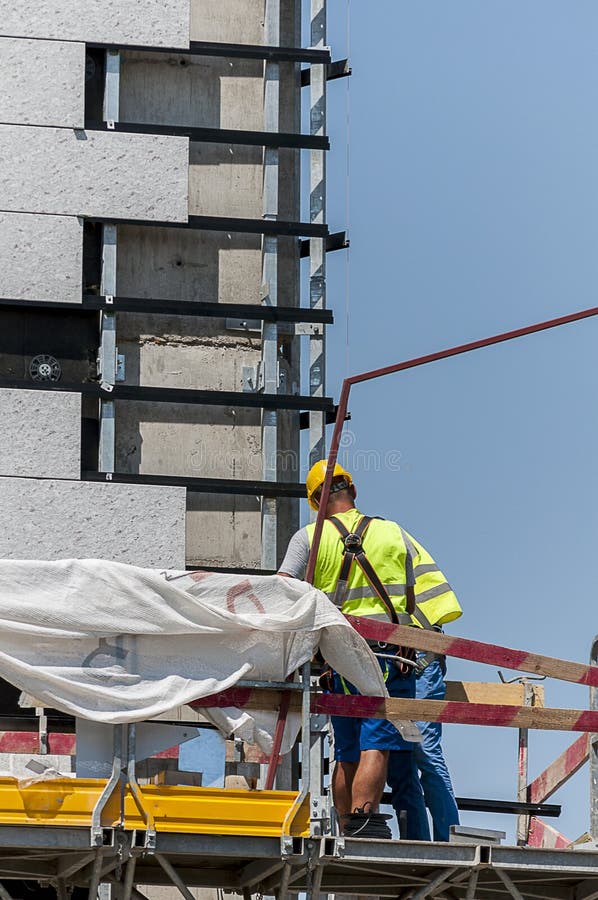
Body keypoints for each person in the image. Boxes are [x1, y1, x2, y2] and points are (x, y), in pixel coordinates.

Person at [279, 459, 433, 839]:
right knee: (376, 744)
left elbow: (282, 589)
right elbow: (427, 595)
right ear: (353, 490)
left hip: (336, 659)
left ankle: (347, 828)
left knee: (346, 750)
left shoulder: (309, 538)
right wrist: (423, 648)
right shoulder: (392, 533)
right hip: (387, 656)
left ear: (315, 502)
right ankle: (365, 825)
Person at [386, 530, 462, 842]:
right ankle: (417, 840)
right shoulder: (382, 539)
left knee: (424, 751)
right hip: (391, 655)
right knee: (400, 757)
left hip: (418, 655)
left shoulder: (383, 540)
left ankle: (448, 839)